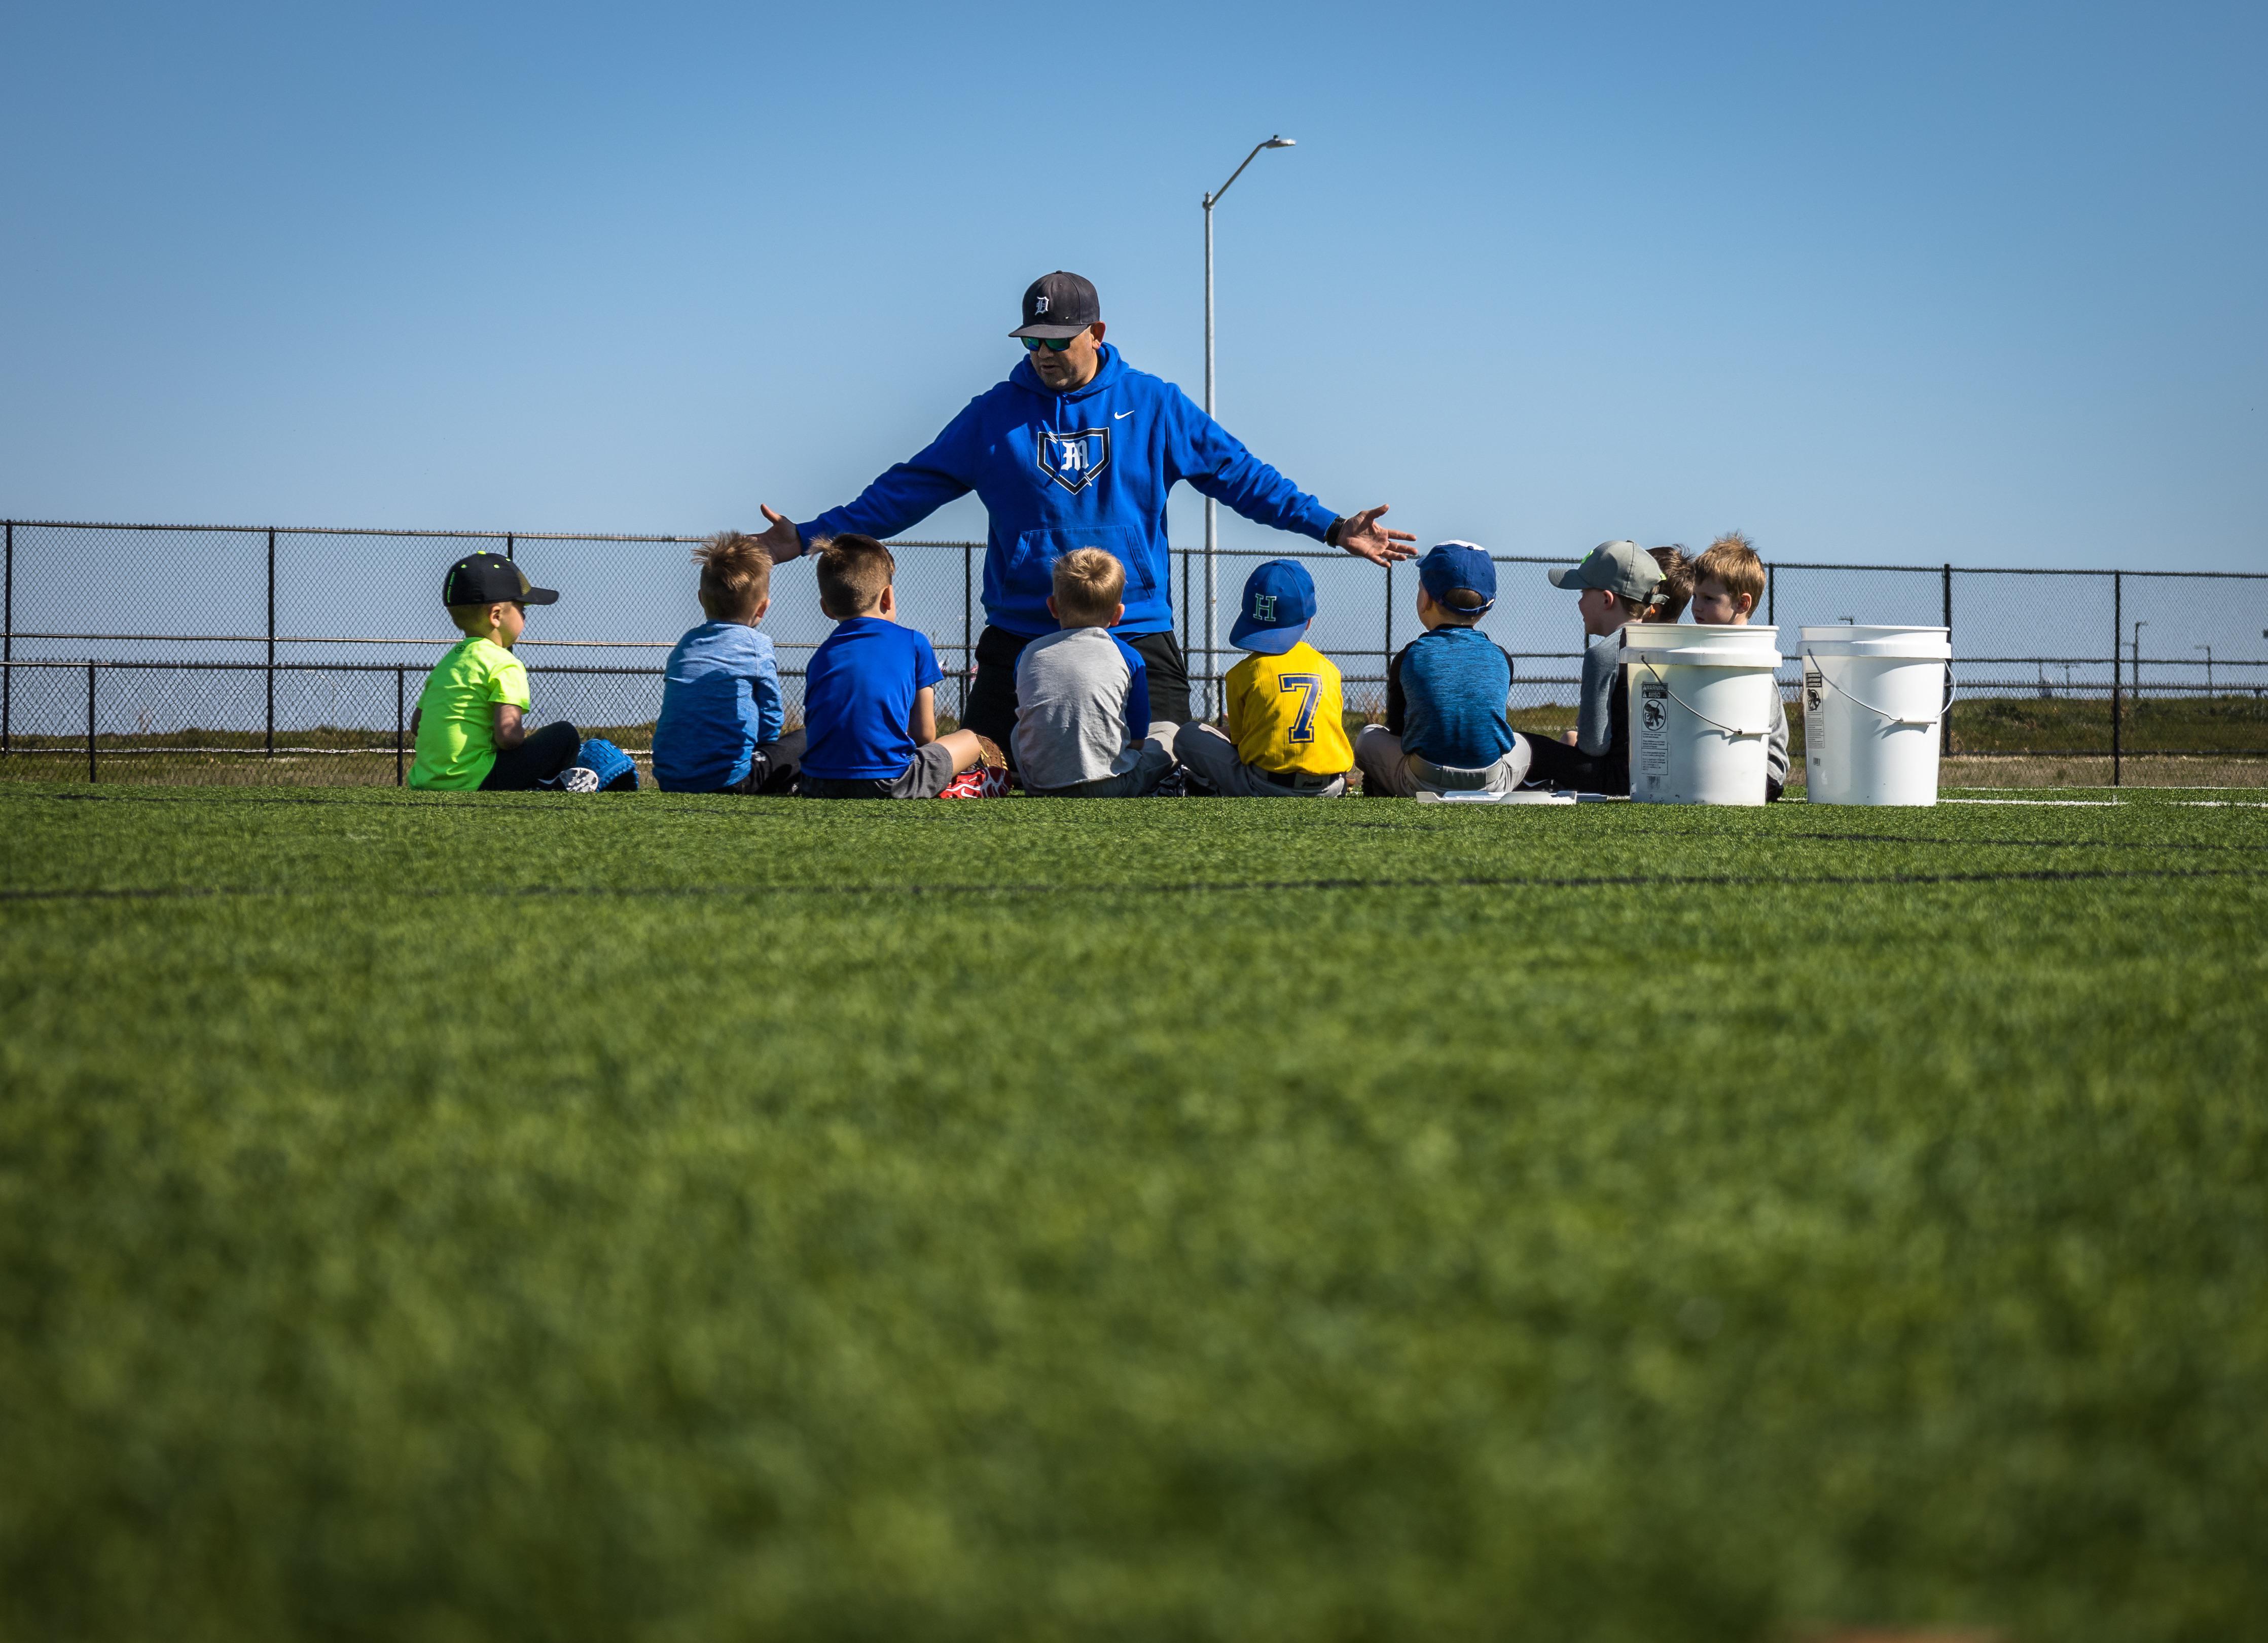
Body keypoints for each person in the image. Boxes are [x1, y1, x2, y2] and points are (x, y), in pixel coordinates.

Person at [746, 271, 1417, 752]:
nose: (1041, 355)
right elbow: (906, 490)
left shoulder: (1153, 404)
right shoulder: (993, 416)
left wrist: (1328, 524)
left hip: (1136, 629)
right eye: (1030, 342)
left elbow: (1241, 476)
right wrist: (806, 536)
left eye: (1056, 341)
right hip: (1020, 633)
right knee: (985, 770)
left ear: (1096, 332)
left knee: (1172, 766)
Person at [798, 534, 987, 799]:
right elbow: (925, 735)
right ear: (888, 597)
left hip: (816, 784)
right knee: (970, 739)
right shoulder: (914, 642)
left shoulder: (823, 655)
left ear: (826, 608)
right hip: (890, 781)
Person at [1353, 543, 1529, 798]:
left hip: (1423, 782)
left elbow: (1399, 732)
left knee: (1369, 736)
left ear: (1426, 598)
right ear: (1489, 605)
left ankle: (1381, 793)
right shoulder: (1501, 657)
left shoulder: (1409, 656)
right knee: (1521, 742)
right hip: (1491, 782)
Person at [1172, 558, 1353, 797]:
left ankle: (1207, 788)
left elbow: (1239, 747)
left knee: (1187, 735)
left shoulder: (1240, 673)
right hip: (1330, 788)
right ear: (1309, 620)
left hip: (1264, 787)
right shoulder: (1329, 669)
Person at [408, 552, 582, 791]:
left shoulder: (448, 664)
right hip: (480, 781)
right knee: (565, 735)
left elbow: (417, 725)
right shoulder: (505, 663)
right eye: (523, 609)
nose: (525, 617)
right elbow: (508, 737)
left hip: (425, 783)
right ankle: (545, 786)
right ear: (497, 616)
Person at [1012, 549, 1176, 797]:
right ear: (1118, 614)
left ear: (1053, 607)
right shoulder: (1128, 656)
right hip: (1111, 786)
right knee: (1171, 733)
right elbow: (1139, 738)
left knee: (1018, 730)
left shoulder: (1028, 654)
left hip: (1041, 785)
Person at [651, 532, 804, 794]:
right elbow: (771, 711)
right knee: (807, 739)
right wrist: (765, 749)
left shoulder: (687, 644)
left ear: (701, 598)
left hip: (671, 780)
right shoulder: (757, 646)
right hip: (730, 780)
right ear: (762, 608)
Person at [1516, 540, 1667, 796]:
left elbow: (1594, 745)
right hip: (1663, 777)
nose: (1579, 602)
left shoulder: (1603, 654)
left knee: (1524, 744)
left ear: (1607, 600)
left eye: (1584, 592)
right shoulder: (1666, 645)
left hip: (1616, 781)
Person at [1689, 532, 1790, 801]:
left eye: (1708, 599)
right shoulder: (1702, 651)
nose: (1696, 607)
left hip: (1762, 772)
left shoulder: (1753, 660)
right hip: (1719, 762)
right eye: (1695, 597)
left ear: (1742, 603)